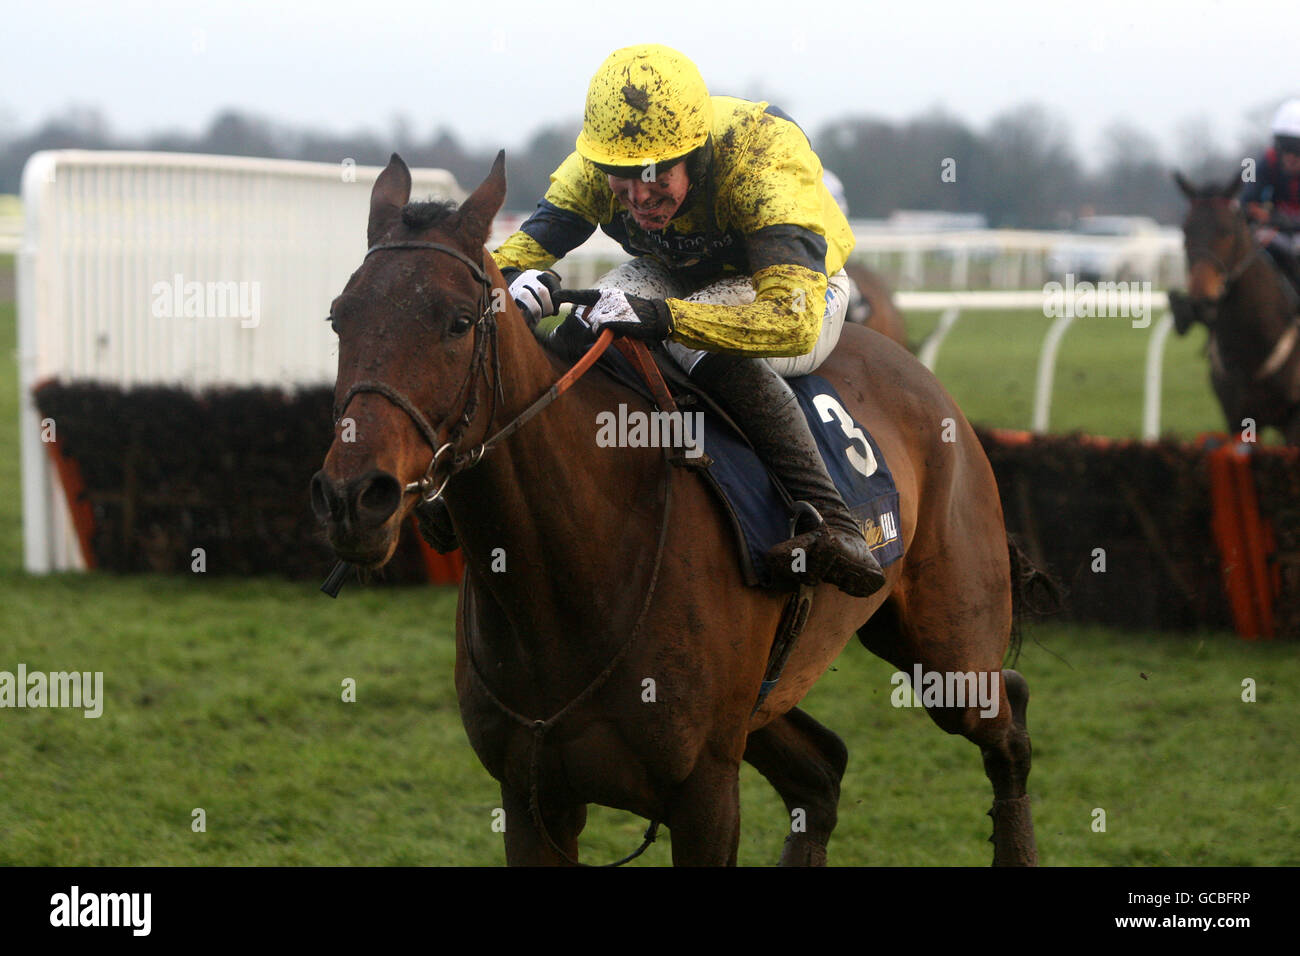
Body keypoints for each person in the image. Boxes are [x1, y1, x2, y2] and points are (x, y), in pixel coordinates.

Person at [424, 43, 884, 599]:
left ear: (697, 154)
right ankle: (481, 477)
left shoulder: (762, 155)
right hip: (678, 274)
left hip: (795, 293)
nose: (639, 196)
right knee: (596, 314)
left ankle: (837, 526)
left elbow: (790, 322)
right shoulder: (597, 167)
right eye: (623, 180)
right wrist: (511, 291)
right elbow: (499, 267)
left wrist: (665, 318)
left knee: (692, 338)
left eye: (657, 176)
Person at [1241, 98, 1300, 300]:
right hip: (1278, 234)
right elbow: (1248, 203)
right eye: (1286, 147)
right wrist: (1269, 218)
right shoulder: (1267, 160)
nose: (1291, 157)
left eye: (1297, 149)